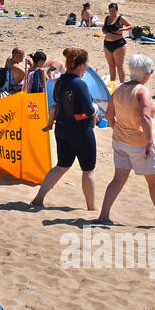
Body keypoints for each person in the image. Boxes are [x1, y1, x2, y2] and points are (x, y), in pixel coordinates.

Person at [97, 54, 155, 228]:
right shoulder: (142, 91)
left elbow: (109, 115)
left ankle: (103, 215)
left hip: (120, 140)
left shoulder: (119, 88)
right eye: (150, 72)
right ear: (146, 74)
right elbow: (145, 117)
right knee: (154, 181)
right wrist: (149, 141)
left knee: (118, 179)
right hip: (139, 143)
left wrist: (118, 129)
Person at [30, 48, 98, 211]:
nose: (87, 68)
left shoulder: (59, 81)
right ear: (81, 65)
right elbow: (88, 111)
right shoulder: (79, 83)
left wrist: (49, 123)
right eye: (86, 65)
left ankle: (38, 198)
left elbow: (55, 105)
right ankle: (91, 207)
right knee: (88, 170)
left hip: (61, 129)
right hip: (80, 132)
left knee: (61, 166)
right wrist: (96, 107)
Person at [101, 2, 130, 83]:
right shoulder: (107, 18)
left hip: (118, 45)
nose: (111, 12)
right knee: (111, 65)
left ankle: (122, 85)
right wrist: (103, 30)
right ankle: (112, 84)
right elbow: (104, 27)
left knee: (119, 66)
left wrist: (122, 29)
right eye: (110, 10)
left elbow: (131, 26)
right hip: (107, 44)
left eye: (113, 10)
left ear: (117, 10)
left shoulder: (121, 18)